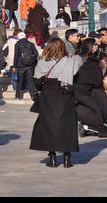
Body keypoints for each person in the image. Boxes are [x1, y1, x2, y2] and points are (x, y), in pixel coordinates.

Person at [31, 36, 80, 168]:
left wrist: (44, 88)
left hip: (48, 94)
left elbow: (36, 81)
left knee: (48, 125)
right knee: (67, 125)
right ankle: (67, 158)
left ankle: (52, 157)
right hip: (65, 94)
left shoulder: (42, 62)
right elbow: (75, 79)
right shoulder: (70, 61)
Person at [74, 41, 107, 138]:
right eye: (95, 45)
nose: (97, 46)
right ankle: (94, 127)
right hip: (82, 91)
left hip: (84, 91)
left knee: (97, 108)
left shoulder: (86, 61)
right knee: (99, 109)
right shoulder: (87, 62)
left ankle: (92, 126)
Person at [13, 33, 40, 101]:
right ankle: (33, 95)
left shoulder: (17, 44)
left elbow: (16, 56)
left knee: (20, 81)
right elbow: (35, 54)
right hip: (30, 65)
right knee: (30, 80)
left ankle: (18, 95)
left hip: (20, 65)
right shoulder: (31, 44)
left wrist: (14, 66)